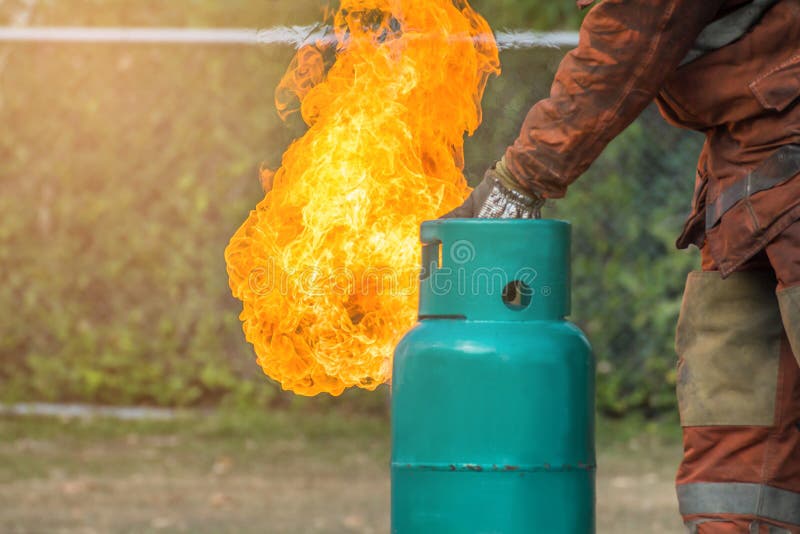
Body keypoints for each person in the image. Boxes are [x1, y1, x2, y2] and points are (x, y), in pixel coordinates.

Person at [446, 0, 800, 531]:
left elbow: (631, 33)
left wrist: (521, 178)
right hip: (746, 167)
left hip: (782, 149)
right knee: (737, 441)